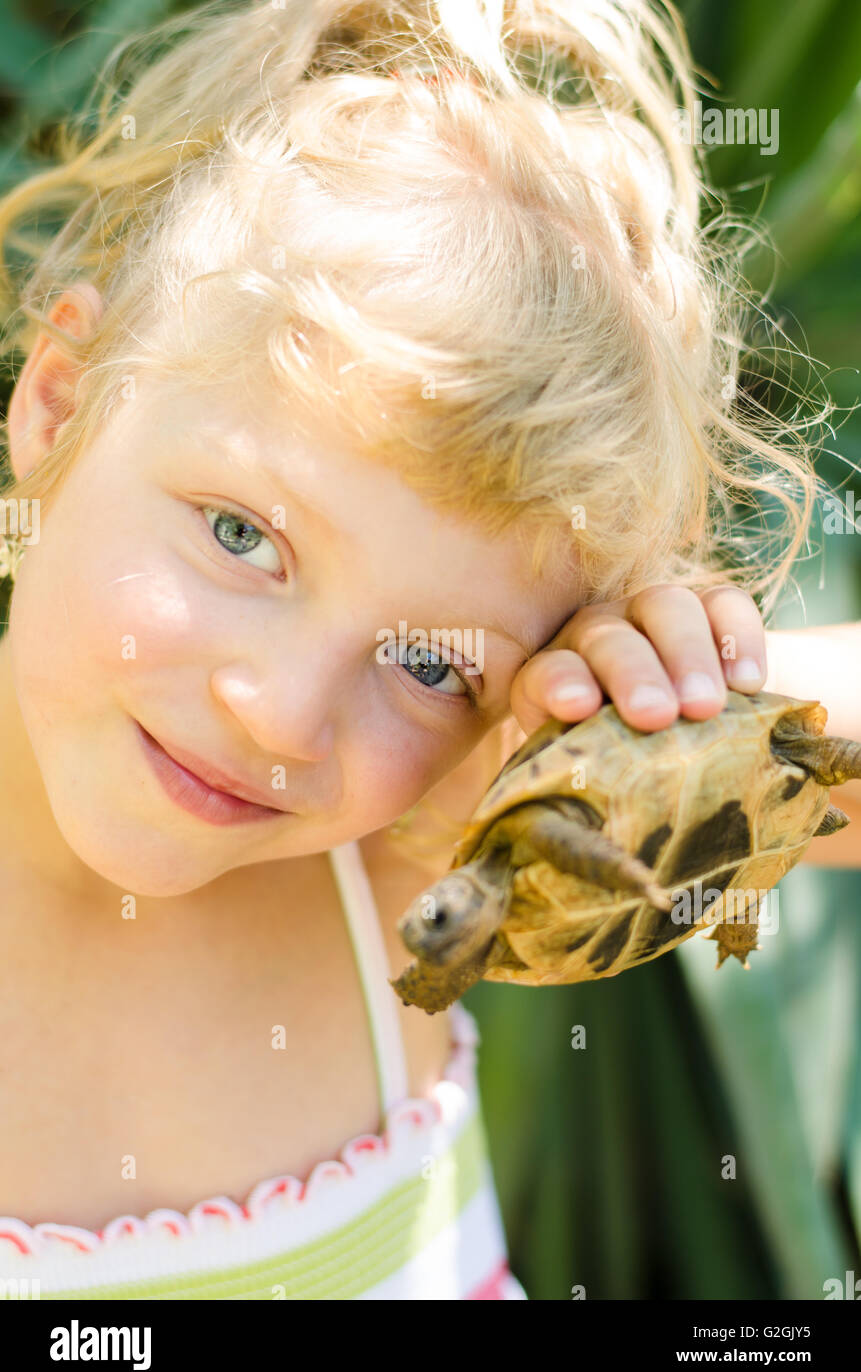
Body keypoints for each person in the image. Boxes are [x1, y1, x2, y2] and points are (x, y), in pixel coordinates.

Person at [0, 0, 858, 1298]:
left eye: (428, 664)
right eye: (242, 533)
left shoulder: (404, 850)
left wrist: (677, 707)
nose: (283, 716)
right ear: (59, 397)